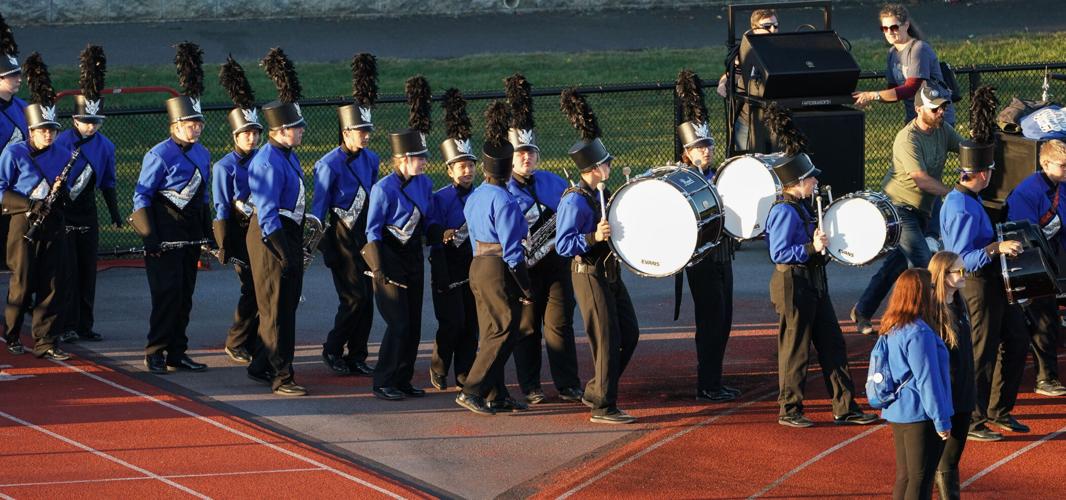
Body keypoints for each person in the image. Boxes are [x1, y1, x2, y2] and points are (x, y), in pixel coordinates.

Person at [556, 88, 639, 424]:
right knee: (606, 339)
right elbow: (564, 245)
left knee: (628, 333)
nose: (609, 166)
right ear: (592, 168)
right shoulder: (574, 200)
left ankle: (596, 388)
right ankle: (603, 405)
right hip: (588, 273)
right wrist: (593, 236)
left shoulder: (600, 193)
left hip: (609, 272)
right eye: (605, 163)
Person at [939, 138, 1031, 440]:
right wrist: (996, 247)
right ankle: (974, 419)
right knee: (981, 351)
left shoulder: (970, 199)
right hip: (977, 286)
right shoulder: (960, 206)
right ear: (983, 173)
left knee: (1017, 338)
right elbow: (961, 258)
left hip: (992, 284)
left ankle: (999, 410)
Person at [853, 83, 960, 335]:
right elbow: (921, 179)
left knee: (896, 265)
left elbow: (967, 150)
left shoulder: (943, 130)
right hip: (900, 208)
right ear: (918, 109)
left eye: (944, 107)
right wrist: (955, 193)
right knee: (925, 263)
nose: (941, 112)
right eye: (935, 109)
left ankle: (863, 310)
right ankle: (926, 322)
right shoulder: (907, 138)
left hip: (926, 208)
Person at [129, 43, 210, 375]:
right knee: (166, 294)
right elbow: (141, 196)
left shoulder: (203, 153)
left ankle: (178, 351)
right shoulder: (159, 154)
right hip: (163, 236)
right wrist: (149, 235)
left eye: (199, 123)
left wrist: (207, 234)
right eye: (191, 124)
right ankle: (156, 351)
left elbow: (202, 197)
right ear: (176, 125)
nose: (197, 128)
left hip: (188, 236)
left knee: (185, 295)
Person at [363, 76, 445, 401]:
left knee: (412, 325)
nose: (424, 162)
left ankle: (403, 379)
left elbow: (429, 222)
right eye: (418, 158)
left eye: (423, 157)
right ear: (401, 160)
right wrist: (378, 267)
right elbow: (372, 230)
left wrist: (443, 235)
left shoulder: (425, 184)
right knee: (398, 324)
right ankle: (383, 380)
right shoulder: (383, 189)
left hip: (413, 257)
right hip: (388, 261)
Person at [505, 74, 583, 405]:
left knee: (560, 325)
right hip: (523, 269)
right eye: (521, 152)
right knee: (527, 329)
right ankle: (530, 386)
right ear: (509, 156)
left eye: (531, 152)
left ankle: (567, 383)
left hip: (556, 265)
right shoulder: (502, 189)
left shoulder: (552, 181)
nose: (526, 157)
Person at [455, 100, 531, 415]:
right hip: (497, 266)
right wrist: (526, 287)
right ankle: (472, 390)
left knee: (492, 330)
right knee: (505, 327)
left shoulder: (475, 196)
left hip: (477, 264)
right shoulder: (507, 201)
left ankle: (495, 393)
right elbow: (513, 251)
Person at [245, 47, 308, 397]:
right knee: (277, 309)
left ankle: (260, 364)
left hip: (285, 234)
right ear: (280, 130)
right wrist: (285, 252)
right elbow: (268, 214)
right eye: (296, 128)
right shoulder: (268, 162)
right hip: (272, 237)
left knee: (282, 304)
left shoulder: (286, 154)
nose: (301, 133)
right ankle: (282, 376)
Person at [0, 53, 72, 360]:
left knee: (52, 282)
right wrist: (30, 204)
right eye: (43, 130)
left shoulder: (62, 152)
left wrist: (60, 199)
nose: (48, 134)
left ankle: (46, 340)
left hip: (51, 222)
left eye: (52, 129)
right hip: (22, 221)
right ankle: (13, 334)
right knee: (22, 281)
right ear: (32, 131)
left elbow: (64, 186)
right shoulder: (15, 154)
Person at [312, 52, 379, 377]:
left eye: (367, 130)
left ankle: (358, 354)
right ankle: (332, 349)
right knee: (353, 299)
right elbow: (317, 211)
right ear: (345, 132)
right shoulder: (328, 165)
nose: (365, 135)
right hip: (341, 240)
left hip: (366, 237)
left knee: (367, 301)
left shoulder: (372, 159)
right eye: (359, 130)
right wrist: (327, 249)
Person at [677, 69, 740, 402]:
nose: (707, 150)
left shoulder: (721, 173)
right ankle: (707, 384)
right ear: (688, 152)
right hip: (701, 259)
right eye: (700, 147)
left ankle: (715, 380)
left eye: (708, 144)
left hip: (724, 254)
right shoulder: (681, 179)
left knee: (725, 319)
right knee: (711, 321)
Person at [54, 45, 121, 344]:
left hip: (87, 211)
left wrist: (115, 213)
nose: (91, 127)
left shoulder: (106, 146)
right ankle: (66, 323)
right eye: (86, 122)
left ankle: (85, 324)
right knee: (67, 271)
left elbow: (107, 181)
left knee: (87, 270)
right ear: (75, 119)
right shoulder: (60, 142)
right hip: (63, 211)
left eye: (95, 122)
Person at [878, 268, 953, 500]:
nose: (935, 292)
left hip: (899, 410)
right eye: (931, 288)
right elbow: (927, 380)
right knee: (921, 478)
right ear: (920, 293)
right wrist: (941, 420)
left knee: (906, 476)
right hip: (920, 414)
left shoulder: (892, 325)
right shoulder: (920, 332)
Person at [1005, 139, 1066, 397]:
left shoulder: (1060, 185)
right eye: (1063, 166)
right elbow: (1024, 235)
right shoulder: (1026, 193)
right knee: (1044, 318)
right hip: (1032, 265)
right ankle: (1045, 378)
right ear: (1045, 164)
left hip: (1055, 259)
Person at [212, 56, 263, 365]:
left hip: (261, 230)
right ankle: (236, 340)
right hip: (240, 233)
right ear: (235, 136)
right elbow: (220, 205)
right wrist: (222, 243)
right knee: (251, 289)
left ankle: (254, 340)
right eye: (246, 134)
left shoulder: (263, 159)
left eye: (256, 133)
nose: (252, 138)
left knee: (262, 289)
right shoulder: (224, 167)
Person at [429, 87, 479, 391]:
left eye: (471, 165)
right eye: (462, 166)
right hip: (446, 264)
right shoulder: (441, 198)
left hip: (473, 265)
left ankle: (464, 371)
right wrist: (444, 235)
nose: (468, 170)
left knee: (471, 324)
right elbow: (433, 232)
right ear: (450, 170)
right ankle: (439, 364)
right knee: (452, 323)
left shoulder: (482, 195)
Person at [928, 251, 980, 500]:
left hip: (964, 392)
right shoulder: (932, 312)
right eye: (958, 271)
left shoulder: (961, 303)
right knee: (944, 459)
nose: (964, 274)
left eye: (964, 269)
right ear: (942, 275)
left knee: (953, 456)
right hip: (945, 394)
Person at [853, 3, 956, 126]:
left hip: (937, 118)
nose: (889, 32)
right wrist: (867, 97)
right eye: (884, 28)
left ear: (906, 25)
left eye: (894, 27)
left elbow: (911, 88)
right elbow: (893, 91)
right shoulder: (892, 53)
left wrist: (872, 95)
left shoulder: (918, 49)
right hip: (915, 120)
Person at [718, 8, 779, 155]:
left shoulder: (782, 48)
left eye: (776, 26)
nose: (773, 30)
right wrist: (722, 83)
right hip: (748, 117)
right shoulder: (745, 51)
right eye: (767, 26)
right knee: (744, 159)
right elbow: (733, 72)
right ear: (754, 29)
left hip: (776, 117)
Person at [0, 14, 26, 278]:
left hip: (21, 192)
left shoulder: (25, 108)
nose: (19, 78)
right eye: (11, 75)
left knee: (19, 258)